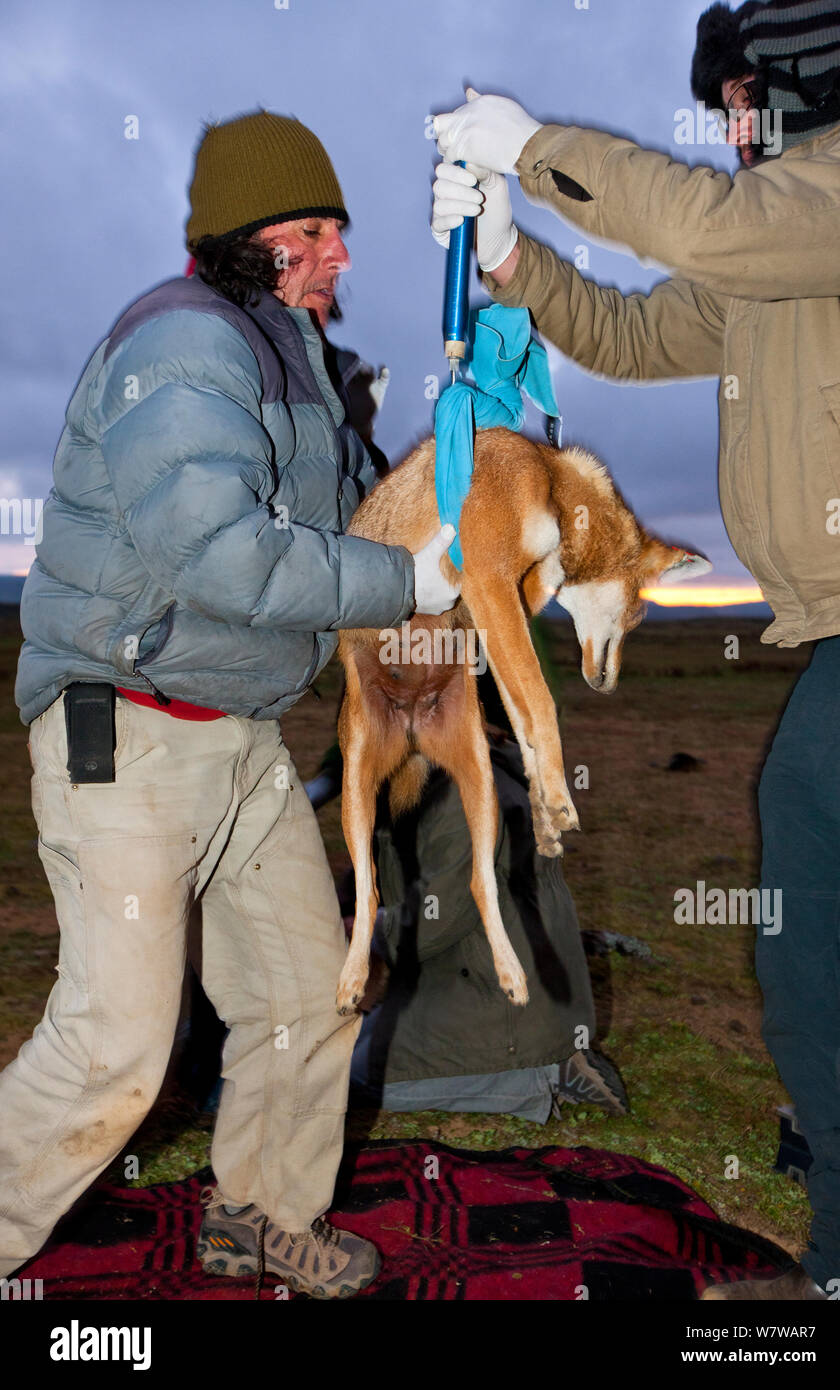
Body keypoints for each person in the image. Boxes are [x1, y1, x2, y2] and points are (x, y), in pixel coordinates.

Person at [431, 0, 840, 1301]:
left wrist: (532, 149)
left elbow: (707, 224)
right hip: (837, 646)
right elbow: (628, 331)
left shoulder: (836, 191)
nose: (729, 127)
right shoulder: (776, 244)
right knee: (805, 968)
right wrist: (513, 263)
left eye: (740, 99)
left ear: (807, 73)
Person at [0, 108, 459, 1300]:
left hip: (240, 740)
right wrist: (407, 583)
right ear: (247, 239)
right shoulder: (183, 344)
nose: (340, 256)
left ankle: (260, 1214)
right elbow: (223, 555)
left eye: (341, 233)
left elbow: (363, 523)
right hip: (131, 727)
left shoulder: (298, 359)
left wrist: (474, 464)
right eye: (315, 231)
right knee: (115, 1050)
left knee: (312, 992)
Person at [348, 712, 629, 1123]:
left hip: (503, 1009)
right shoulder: (481, 758)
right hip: (507, 987)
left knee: (351, 1077)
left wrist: (366, 931)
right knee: (353, 1041)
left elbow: (433, 921)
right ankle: (540, 1057)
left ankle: (539, 1078)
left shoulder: (453, 792)